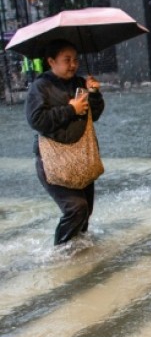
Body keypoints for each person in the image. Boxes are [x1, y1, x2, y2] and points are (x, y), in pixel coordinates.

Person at [25, 39, 104, 250]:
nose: (73, 65)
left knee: (85, 213)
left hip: (81, 155)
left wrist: (94, 94)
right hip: (53, 160)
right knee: (76, 208)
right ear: (51, 61)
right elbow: (36, 120)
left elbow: (94, 115)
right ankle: (60, 253)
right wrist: (70, 109)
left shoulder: (80, 83)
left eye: (75, 60)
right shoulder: (40, 87)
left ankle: (80, 256)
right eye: (67, 60)